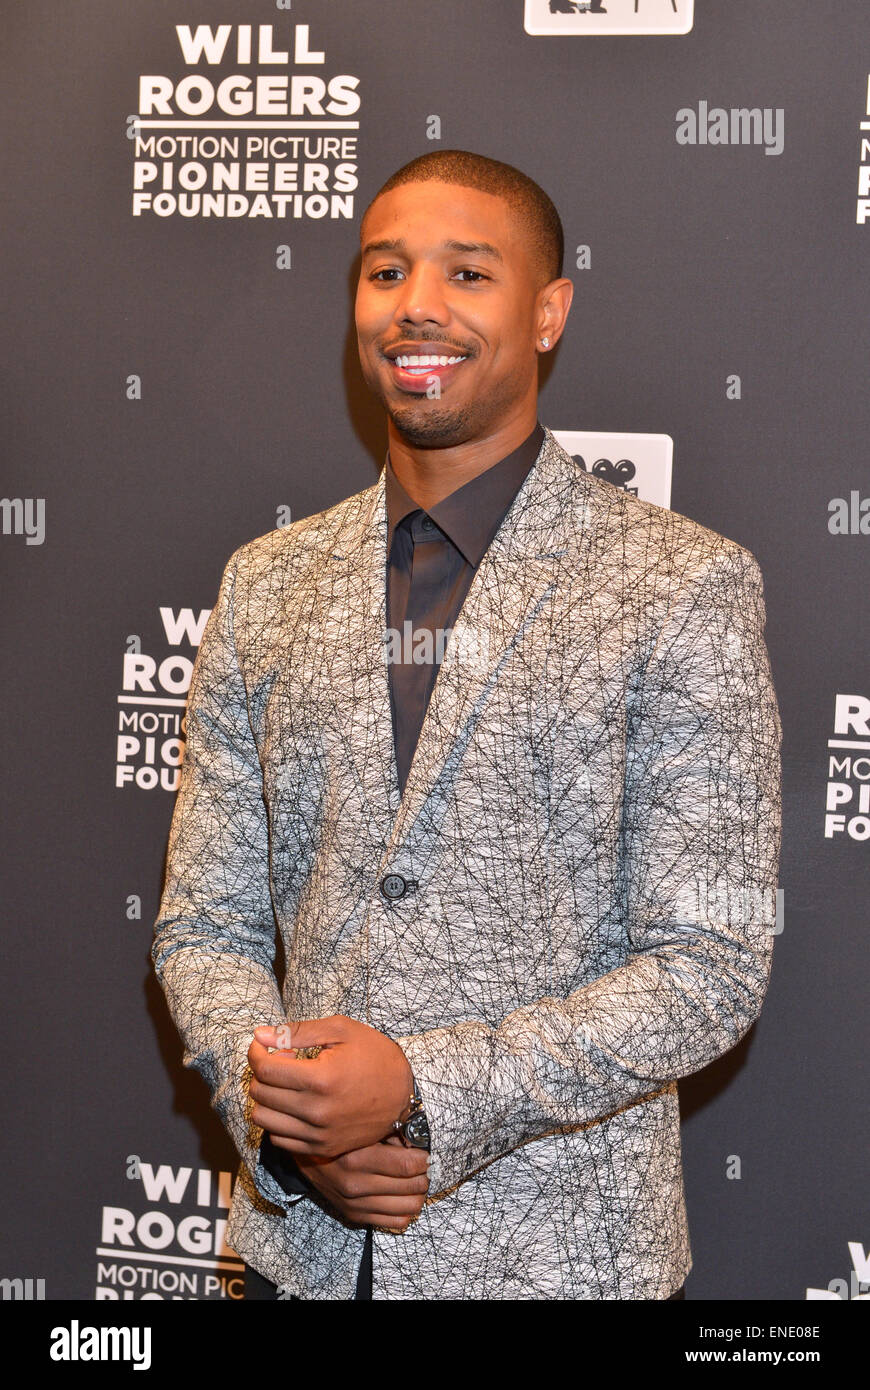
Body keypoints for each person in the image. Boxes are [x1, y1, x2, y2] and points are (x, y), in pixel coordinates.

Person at [151, 149, 782, 1301]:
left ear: (548, 314)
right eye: (385, 270)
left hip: (562, 1270)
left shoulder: (682, 584)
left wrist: (422, 1089)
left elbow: (714, 962)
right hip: (296, 1258)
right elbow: (204, 923)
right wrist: (294, 1132)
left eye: (469, 273)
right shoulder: (267, 584)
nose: (417, 307)